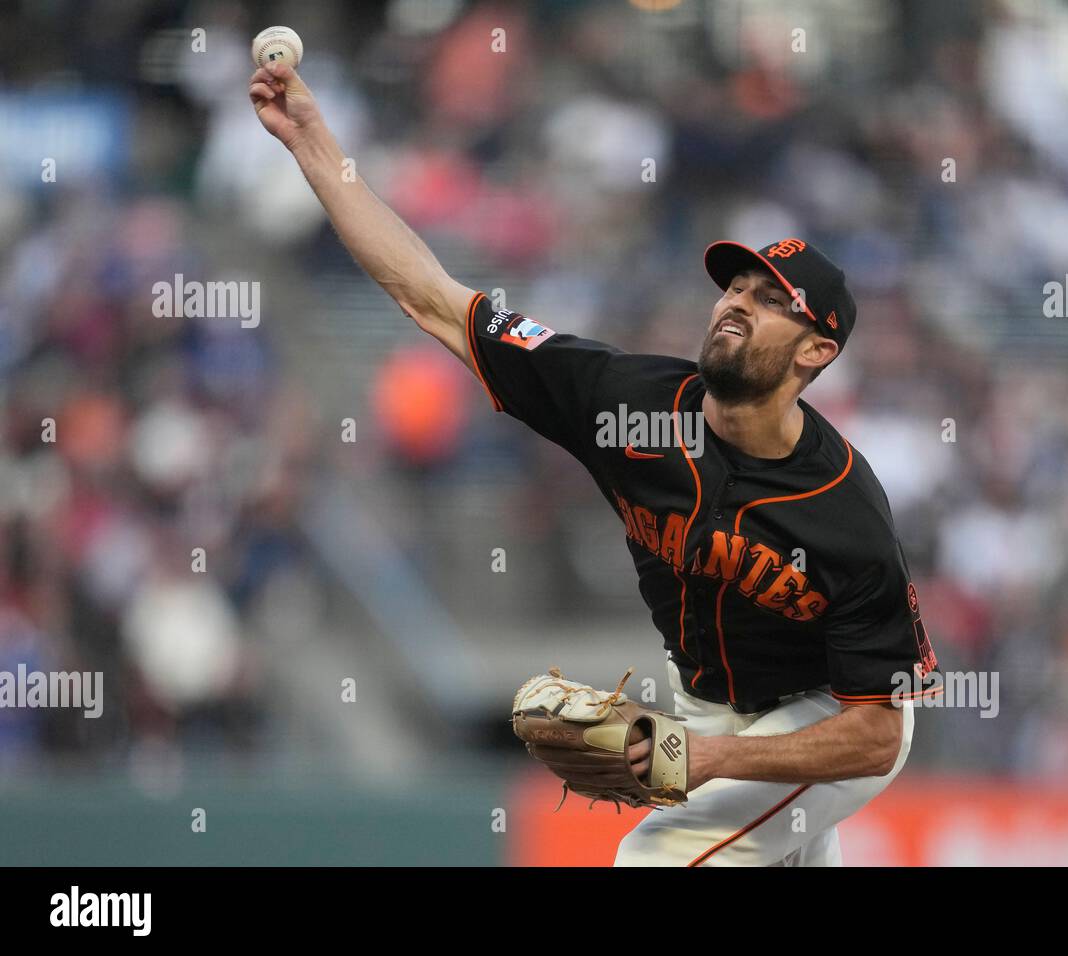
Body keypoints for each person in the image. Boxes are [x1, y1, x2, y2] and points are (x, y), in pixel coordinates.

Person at [249, 62, 941, 866]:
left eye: (770, 299)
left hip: (828, 721)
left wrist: (706, 759)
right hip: (706, 701)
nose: (737, 303)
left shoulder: (846, 510)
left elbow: (877, 732)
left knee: (655, 858)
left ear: (818, 351)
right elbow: (433, 296)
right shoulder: (622, 401)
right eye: (736, 286)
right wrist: (312, 143)